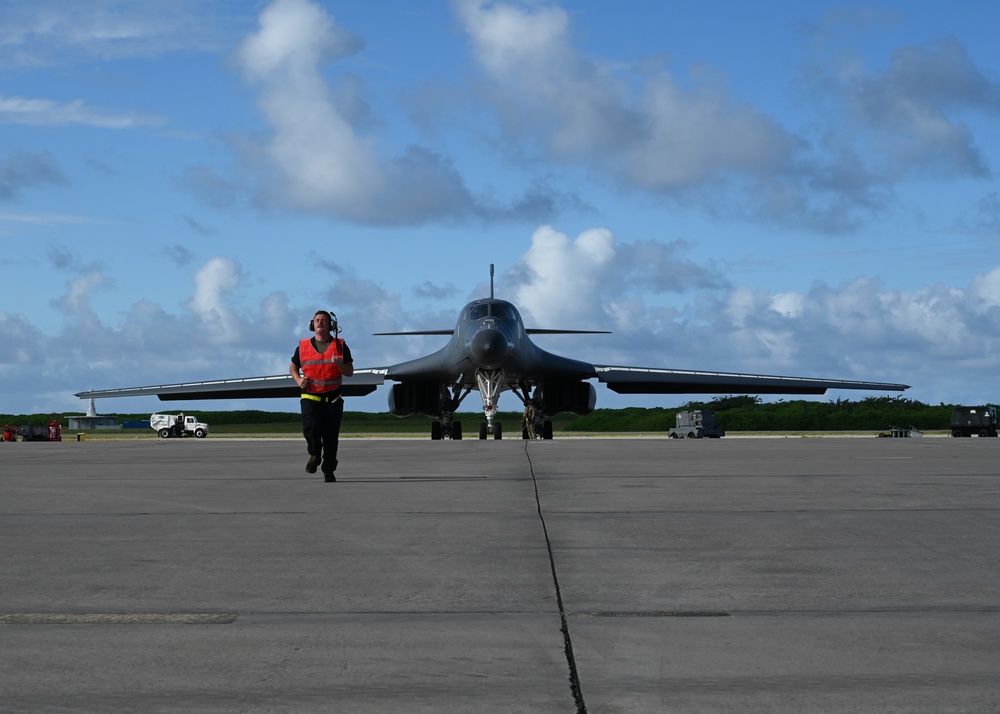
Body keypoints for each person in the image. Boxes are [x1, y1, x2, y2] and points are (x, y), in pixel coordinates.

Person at [289, 310, 354, 482]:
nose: (320, 323)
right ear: (312, 324)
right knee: (310, 430)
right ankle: (315, 454)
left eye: (324, 320)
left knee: (331, 440)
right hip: (310, 399)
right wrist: (298, 379)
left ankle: (329, 470)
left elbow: (350, 372)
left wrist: (339, 364)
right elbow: (293, 366)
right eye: (317, 320)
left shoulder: (340, 346)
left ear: (331, 325)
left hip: (333, 401)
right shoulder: (302, 347)